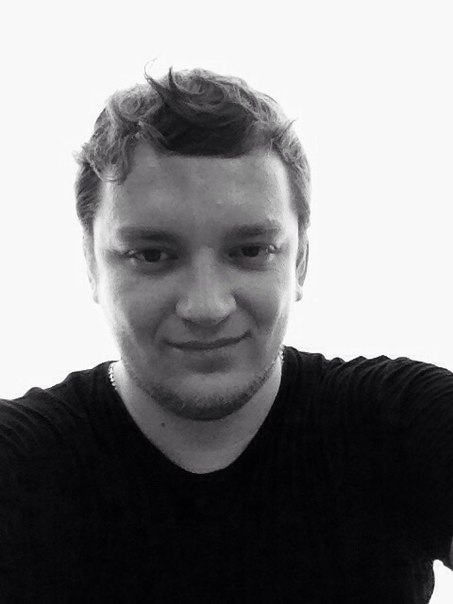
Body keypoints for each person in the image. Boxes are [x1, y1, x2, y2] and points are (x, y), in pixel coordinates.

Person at [1, 66, 452, 604]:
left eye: (250, 251)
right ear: (92, 264)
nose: (206, 307)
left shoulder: (401, 424)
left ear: (300, 261)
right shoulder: (18, 465)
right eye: (152, 254)